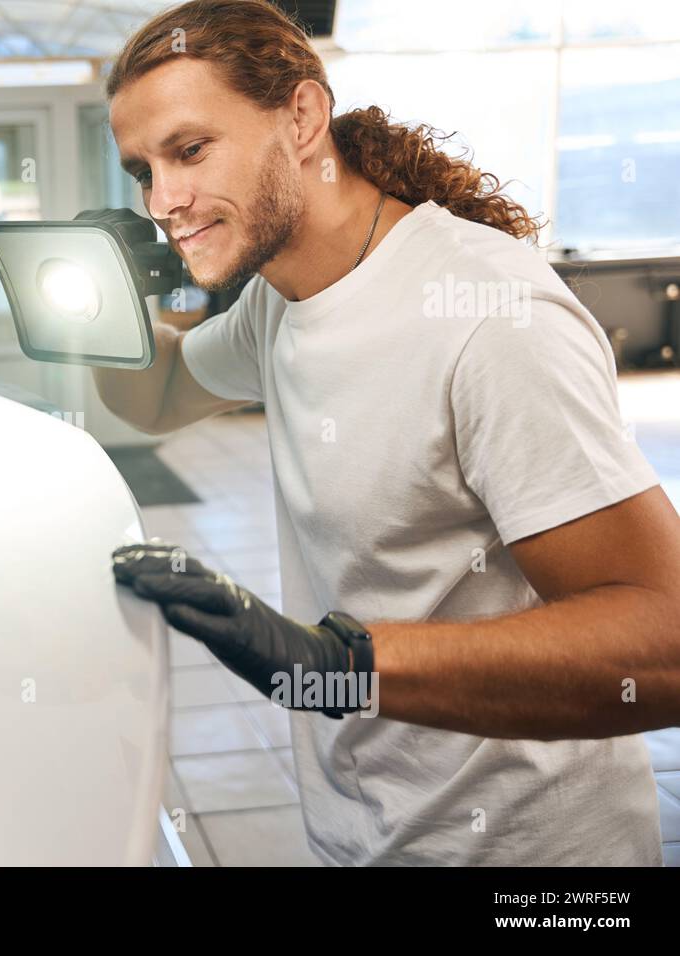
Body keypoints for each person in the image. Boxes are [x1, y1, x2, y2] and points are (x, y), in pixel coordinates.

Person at [95, 0, 680, 865]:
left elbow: (661, 638)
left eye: (189, 150)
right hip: (363, 836)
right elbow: (158, 395)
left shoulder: (490, 316)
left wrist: (336, 663)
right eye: (141, 170)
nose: (164, 201)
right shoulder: (281, 297)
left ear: (301, 116)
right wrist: (100, 300)